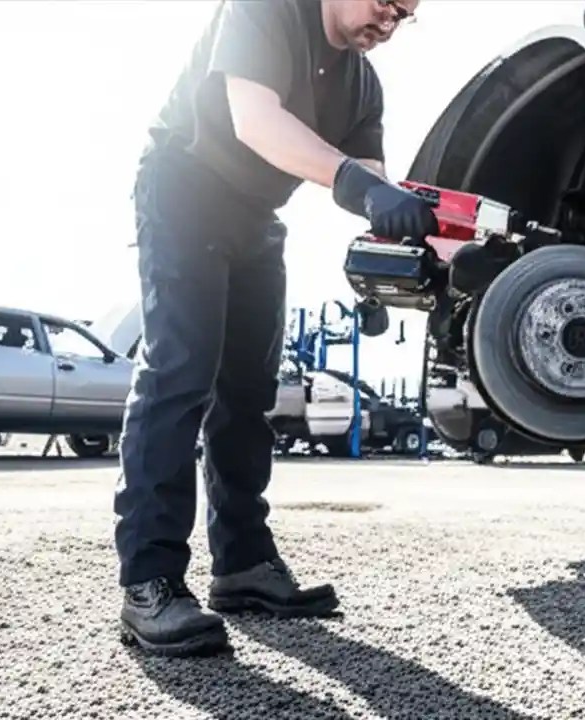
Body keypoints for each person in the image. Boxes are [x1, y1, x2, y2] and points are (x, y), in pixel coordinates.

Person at [113, 0, 435, 657]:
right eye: (386, 2)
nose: (390, 22)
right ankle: (149, 580)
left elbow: (370, 185)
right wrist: (361, 186)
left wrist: (387, 260)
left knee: (250, 392)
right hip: (184, 187)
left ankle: (242, 565)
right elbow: (256, 121)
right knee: (180, 373)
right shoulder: (267, 8)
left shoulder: (363, 87)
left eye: (405, 15)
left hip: (255, 213)